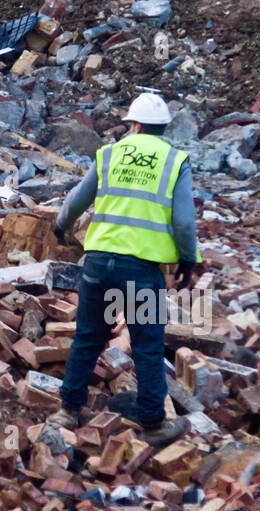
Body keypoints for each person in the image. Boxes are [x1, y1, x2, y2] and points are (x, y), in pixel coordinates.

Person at [47, 90, 202, 448]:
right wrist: (187, 258)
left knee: (88, 337)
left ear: (133, 124)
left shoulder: (111, 153)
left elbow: (77, 199)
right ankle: (153, 424)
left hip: (98, 266)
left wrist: (60, 225)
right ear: (163, 128)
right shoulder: (175, 160)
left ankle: (67, 411)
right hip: (142, 273)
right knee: (147, 345)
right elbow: (183, 222)